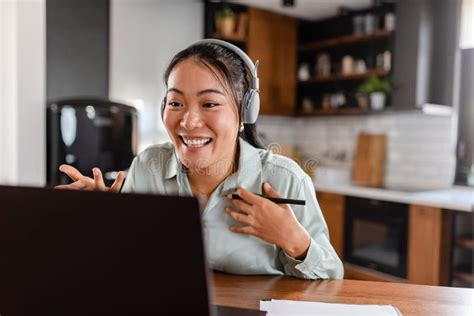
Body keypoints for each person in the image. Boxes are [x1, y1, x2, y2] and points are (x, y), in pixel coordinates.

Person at [57, 39, 344, 280]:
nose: (189, 121)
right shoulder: (147, 166)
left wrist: (293, 240)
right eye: (176, 103)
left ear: (244, 113)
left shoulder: (285, 180)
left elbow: (332, 280)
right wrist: (101, 217)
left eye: (209, 104)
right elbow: (124, 259)